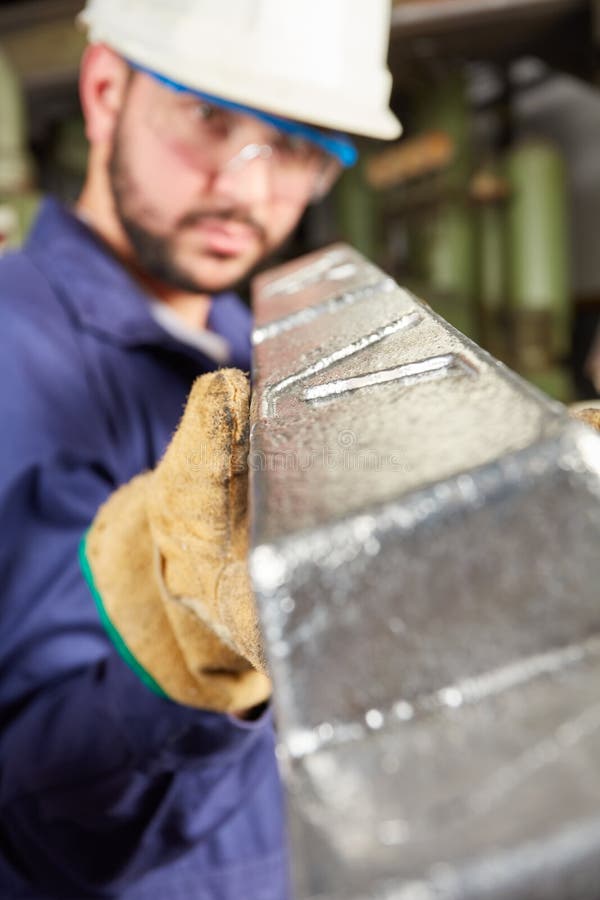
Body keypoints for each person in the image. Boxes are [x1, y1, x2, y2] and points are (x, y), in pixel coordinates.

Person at [0, 2, 401, 897]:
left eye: (299, 146)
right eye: (211, 119)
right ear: (106, 89)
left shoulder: (250, 341)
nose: (251, 191)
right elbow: (36, 817)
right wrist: (188, 664)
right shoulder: (10, 357)